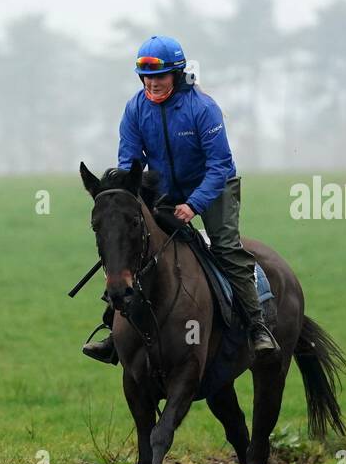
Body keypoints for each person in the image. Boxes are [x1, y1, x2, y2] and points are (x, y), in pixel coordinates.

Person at [82, 34, 279, 363]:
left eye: (160, 76)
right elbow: (131, 161)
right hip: (166, 190)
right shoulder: (134, 108)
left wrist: (195, 204)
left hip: (214, 187)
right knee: (132, 243)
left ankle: (257, 326)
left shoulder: (202, 108)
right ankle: (112, 332)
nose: (153, 83)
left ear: (176, 74)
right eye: (147, 77)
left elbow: (220, 165)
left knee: (226, 247)